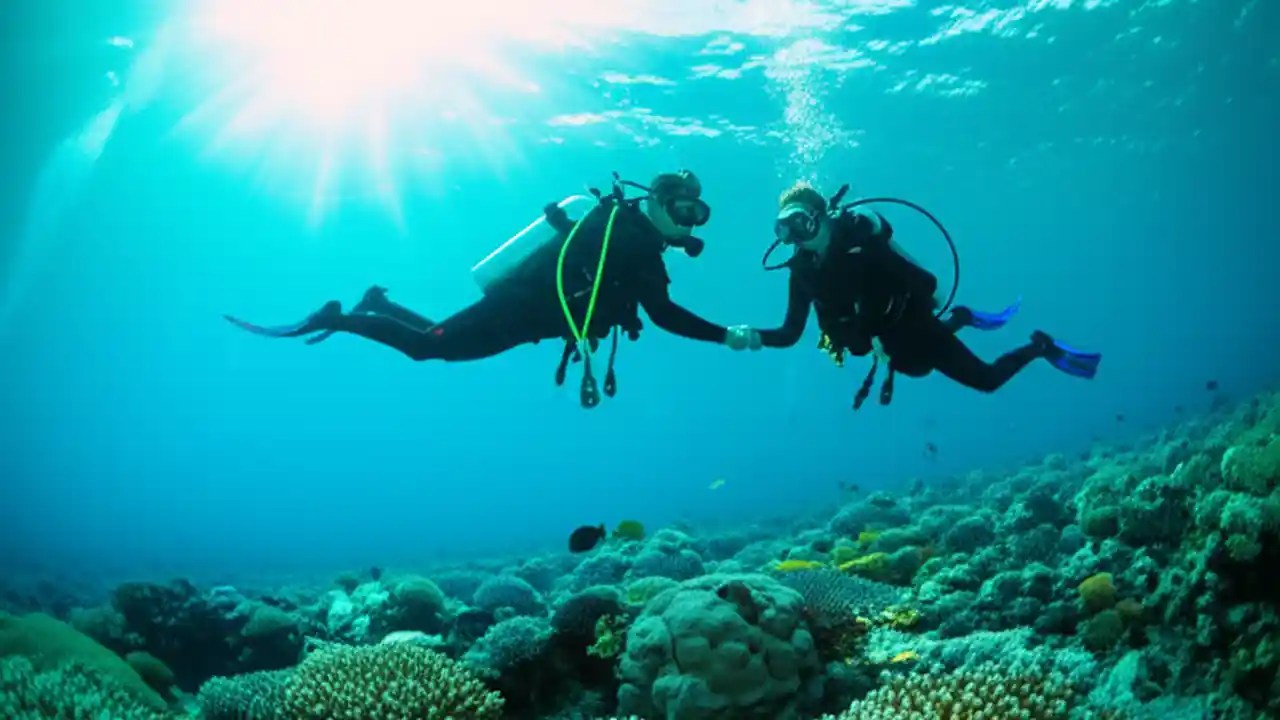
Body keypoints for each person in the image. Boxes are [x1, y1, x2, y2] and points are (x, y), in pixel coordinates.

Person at [225, 170, 763, 407]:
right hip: (520, 311)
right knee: (429, 349)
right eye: (685, 211)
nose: (691, 223)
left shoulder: (626, 233)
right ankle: (337, 317)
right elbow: (664, 314)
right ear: (659, 204)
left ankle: (378, 304)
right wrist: (726, 335)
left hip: (524, 312)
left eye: (699, 215)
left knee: (441, 342)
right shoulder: (633, 240)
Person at [754, 181, 1100, 407]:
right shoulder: (803, 272)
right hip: (886, 346)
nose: (796, 239)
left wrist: (896, 310)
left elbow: (926, 283)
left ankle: (1041, 346)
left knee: (987, 380)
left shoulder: (864, 246)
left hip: (915, 327)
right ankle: (961, 317)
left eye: (801, 225)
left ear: (822, 217)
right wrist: (738, 335)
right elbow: (789, 333)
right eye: (785, 231)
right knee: (918, 368)